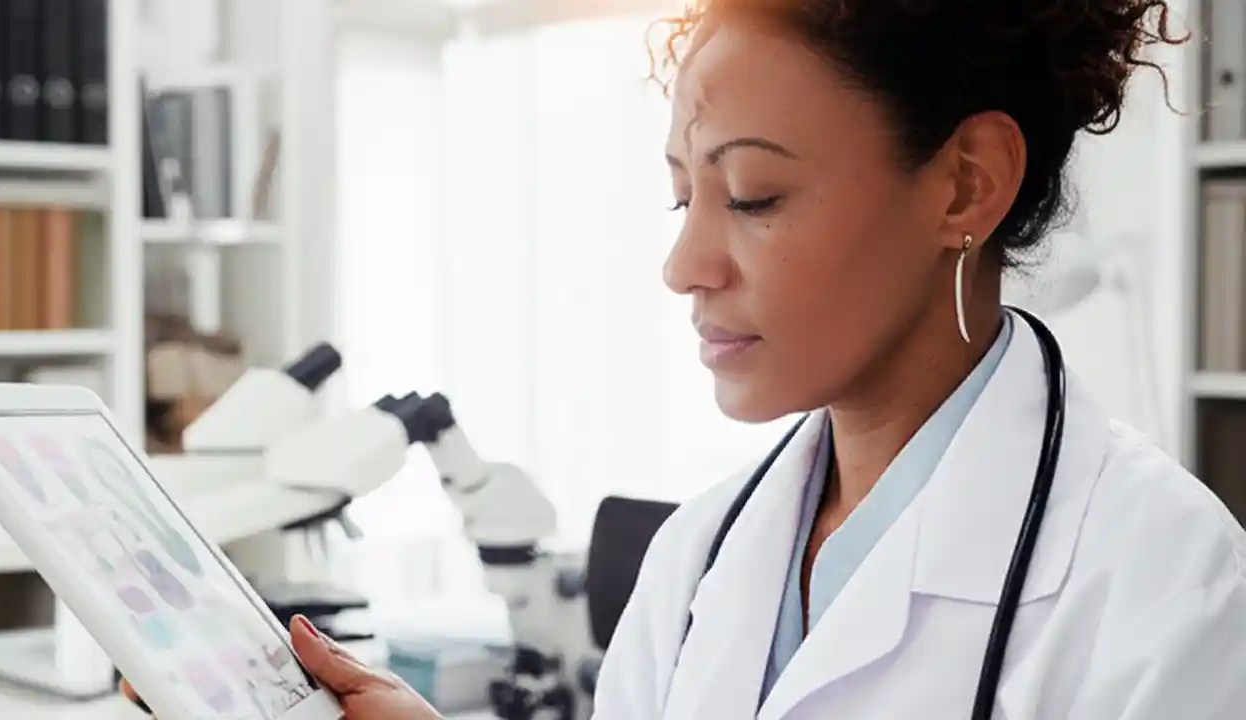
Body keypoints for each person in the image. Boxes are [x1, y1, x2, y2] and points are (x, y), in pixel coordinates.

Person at [128, 1, 1246, 718]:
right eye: (681, 194)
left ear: (962, 186)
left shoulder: (1162, 589)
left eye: (753, 196)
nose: (683, 262)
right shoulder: (703, 554)